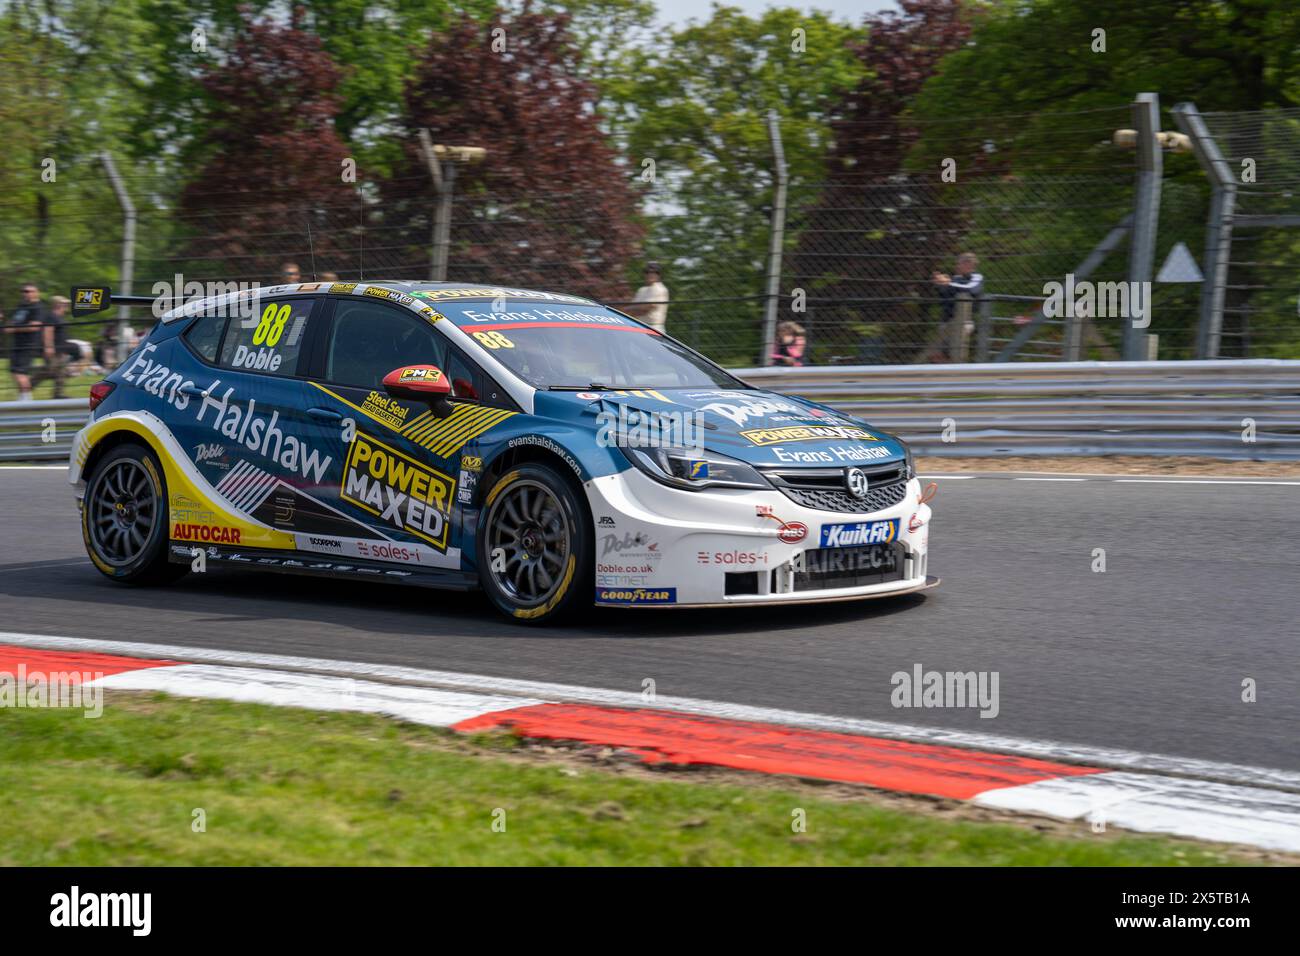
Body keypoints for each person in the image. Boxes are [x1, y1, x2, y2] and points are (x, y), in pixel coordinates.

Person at [4, 283, 47, 401]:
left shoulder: (38, 307)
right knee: (15, 372)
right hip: (16, 344)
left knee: (20, 373)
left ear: (36, 292)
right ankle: (23, 399)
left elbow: (35, 326)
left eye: (29, 291)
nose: (25, 293)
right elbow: (11, 322)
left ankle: (27, 401)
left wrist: (14, 329)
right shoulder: (20, 306)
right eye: (23, 291)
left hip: (28, 345)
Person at [931, 252, 984, 323]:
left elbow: (971, 289)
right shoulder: (956, 278)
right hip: (947, 320)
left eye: (959, 264)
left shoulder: (977, 277)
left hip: (963, 319)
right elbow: (943, 296)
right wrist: (940, 284)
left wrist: (948, 283)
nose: (957, 266)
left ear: (968, 264)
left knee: (963, 295)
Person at [630, 262, 670, 333]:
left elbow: (647, 307)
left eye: (655, 272)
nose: (650, 274)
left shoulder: (660, 289)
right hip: (639, 326)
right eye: (647, 272)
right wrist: (636, 309)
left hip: (654, 328)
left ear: (659, 275)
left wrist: (633, 309)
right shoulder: (641, 290)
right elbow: (634, 309)